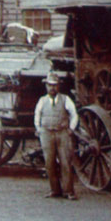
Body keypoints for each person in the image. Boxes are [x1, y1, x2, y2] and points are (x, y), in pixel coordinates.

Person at [33, 72, 80, 200]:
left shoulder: (66, 99)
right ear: (46, 86)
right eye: (50, 85)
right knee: (49, 163)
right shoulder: (42, 100)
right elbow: (37, 115)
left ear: (59, 87)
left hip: (62, 133)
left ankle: (69, 191)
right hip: (47, 133)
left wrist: (71, 128)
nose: (52, 88)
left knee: (65, 161)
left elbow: (74, 114)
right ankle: (54, 190)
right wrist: (38, 128)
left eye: (55, 85)